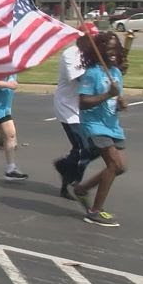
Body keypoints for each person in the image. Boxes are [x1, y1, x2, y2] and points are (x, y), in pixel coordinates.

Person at [70, 31, 129, 227]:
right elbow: (83, 102)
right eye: (108, 49)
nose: (113, 52)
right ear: (99, 51)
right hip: (95, 125)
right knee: (115, 165)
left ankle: (82, 188)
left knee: (120, 167)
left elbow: (113, 98)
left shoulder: (115, 72)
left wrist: (119, 102)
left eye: (115, 48)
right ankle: (95, 211)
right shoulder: (92, 73)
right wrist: (106, 95)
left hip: (111, 124)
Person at [53, 28, 100, 199]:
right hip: (68, 107)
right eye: (91, 38)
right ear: (80, 39)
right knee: (83, 147)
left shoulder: (93, 53)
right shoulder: (71, 54)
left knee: (95, 148)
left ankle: (64, 167)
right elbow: (81, 79)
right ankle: (72, 183)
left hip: (84, 107)